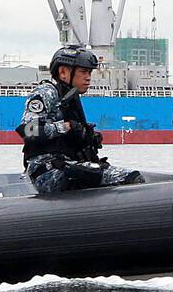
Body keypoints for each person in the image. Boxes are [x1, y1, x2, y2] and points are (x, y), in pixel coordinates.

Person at [17, 45, 144, 194]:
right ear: (63, 72)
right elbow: (28, 130)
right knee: (128, 178)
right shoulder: (47, 93)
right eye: (83, 72)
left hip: (66, 166)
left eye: (90, 72)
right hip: (47, 172)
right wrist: (66, 127)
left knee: (128, 176)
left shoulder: (70, 98)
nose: (88, 77)